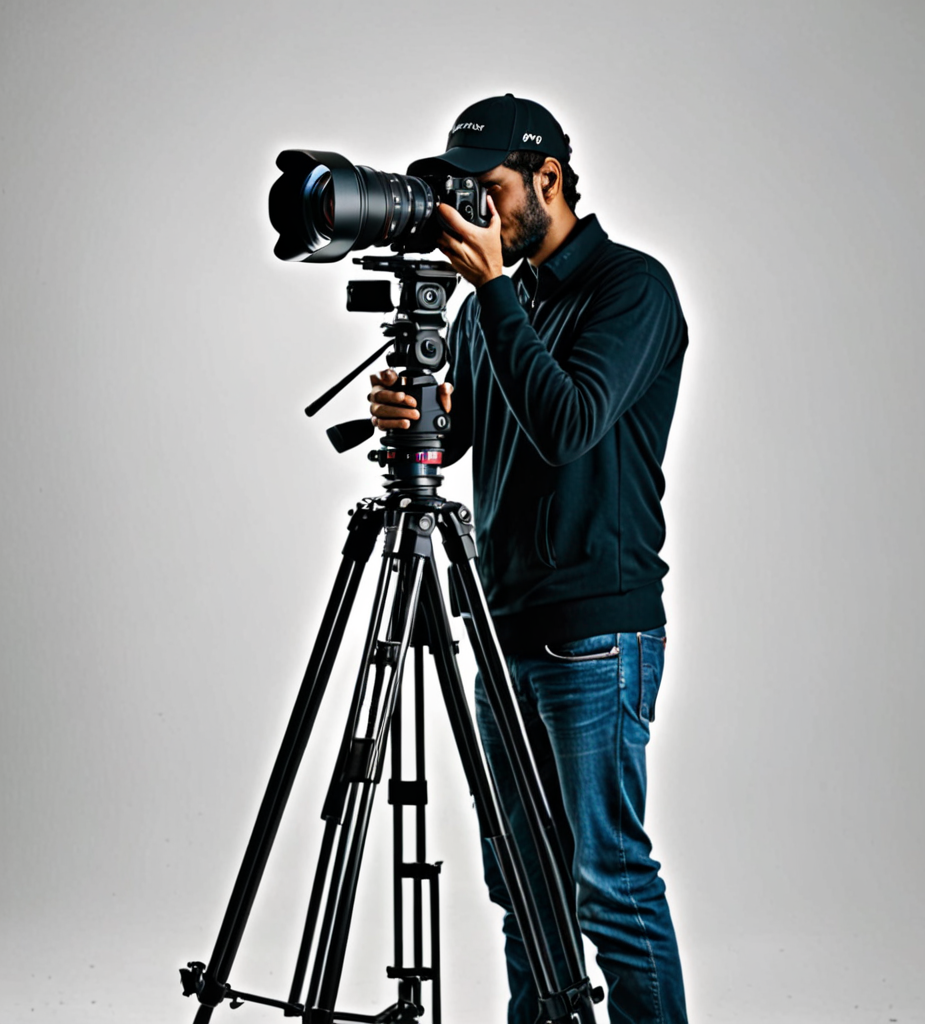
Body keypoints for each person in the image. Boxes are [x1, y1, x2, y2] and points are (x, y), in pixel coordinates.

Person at [369, 93, 689, 1024]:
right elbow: (469, 431)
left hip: (596, 632)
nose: (479, 211)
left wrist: (495, 292)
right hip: (502, 627)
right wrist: (415, 413)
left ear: (549, 178)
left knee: (610, 889)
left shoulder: (633, 289)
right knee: (522, 889)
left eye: (495, 188)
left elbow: (566, 422)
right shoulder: (493, 305)